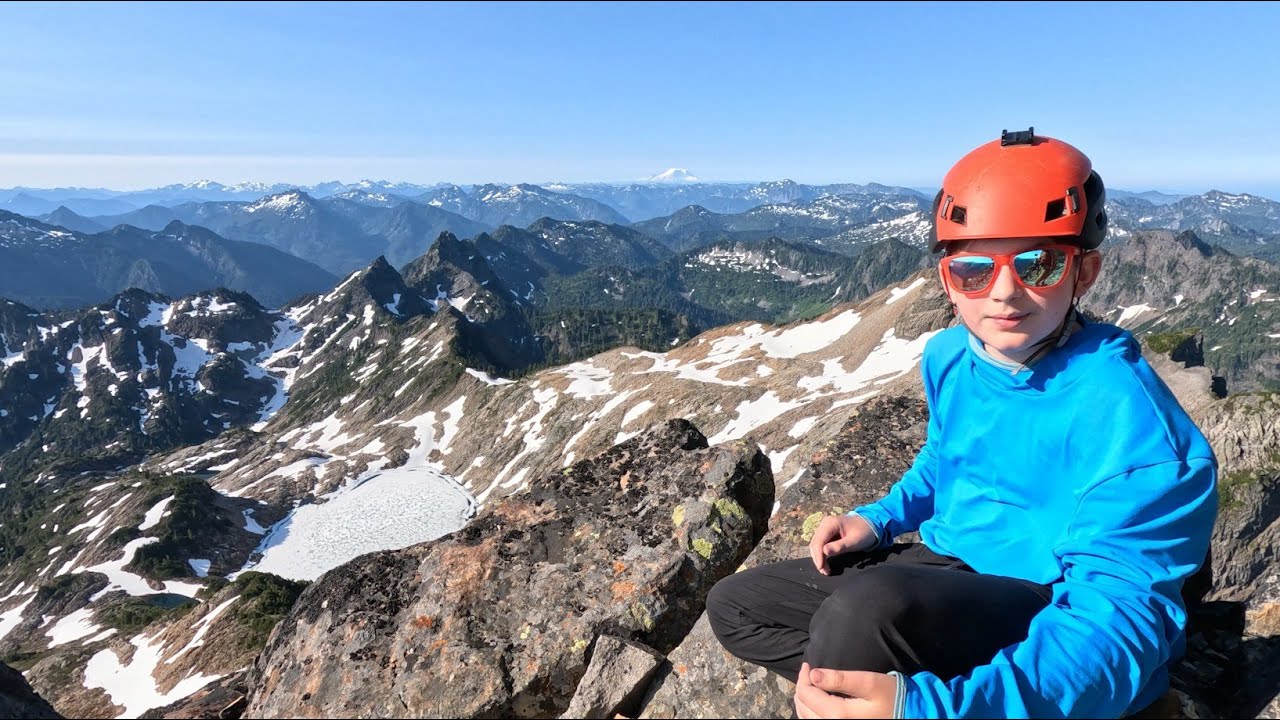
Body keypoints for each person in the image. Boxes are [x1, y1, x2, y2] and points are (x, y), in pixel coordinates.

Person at [705, 128, 1218, 719]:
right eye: (974, 269)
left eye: (1039, 263)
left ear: (1085, 271)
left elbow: (1119, 619)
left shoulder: (1133, 422)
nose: (1003, 291)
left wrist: (933, 709)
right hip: (945, 568)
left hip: (1046, 597)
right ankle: (869, 686)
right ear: (948, 278)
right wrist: (878, 520)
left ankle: (1000, 696)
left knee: (861, 615)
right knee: (736, 606)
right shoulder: (951, 356)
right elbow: (946, 456)